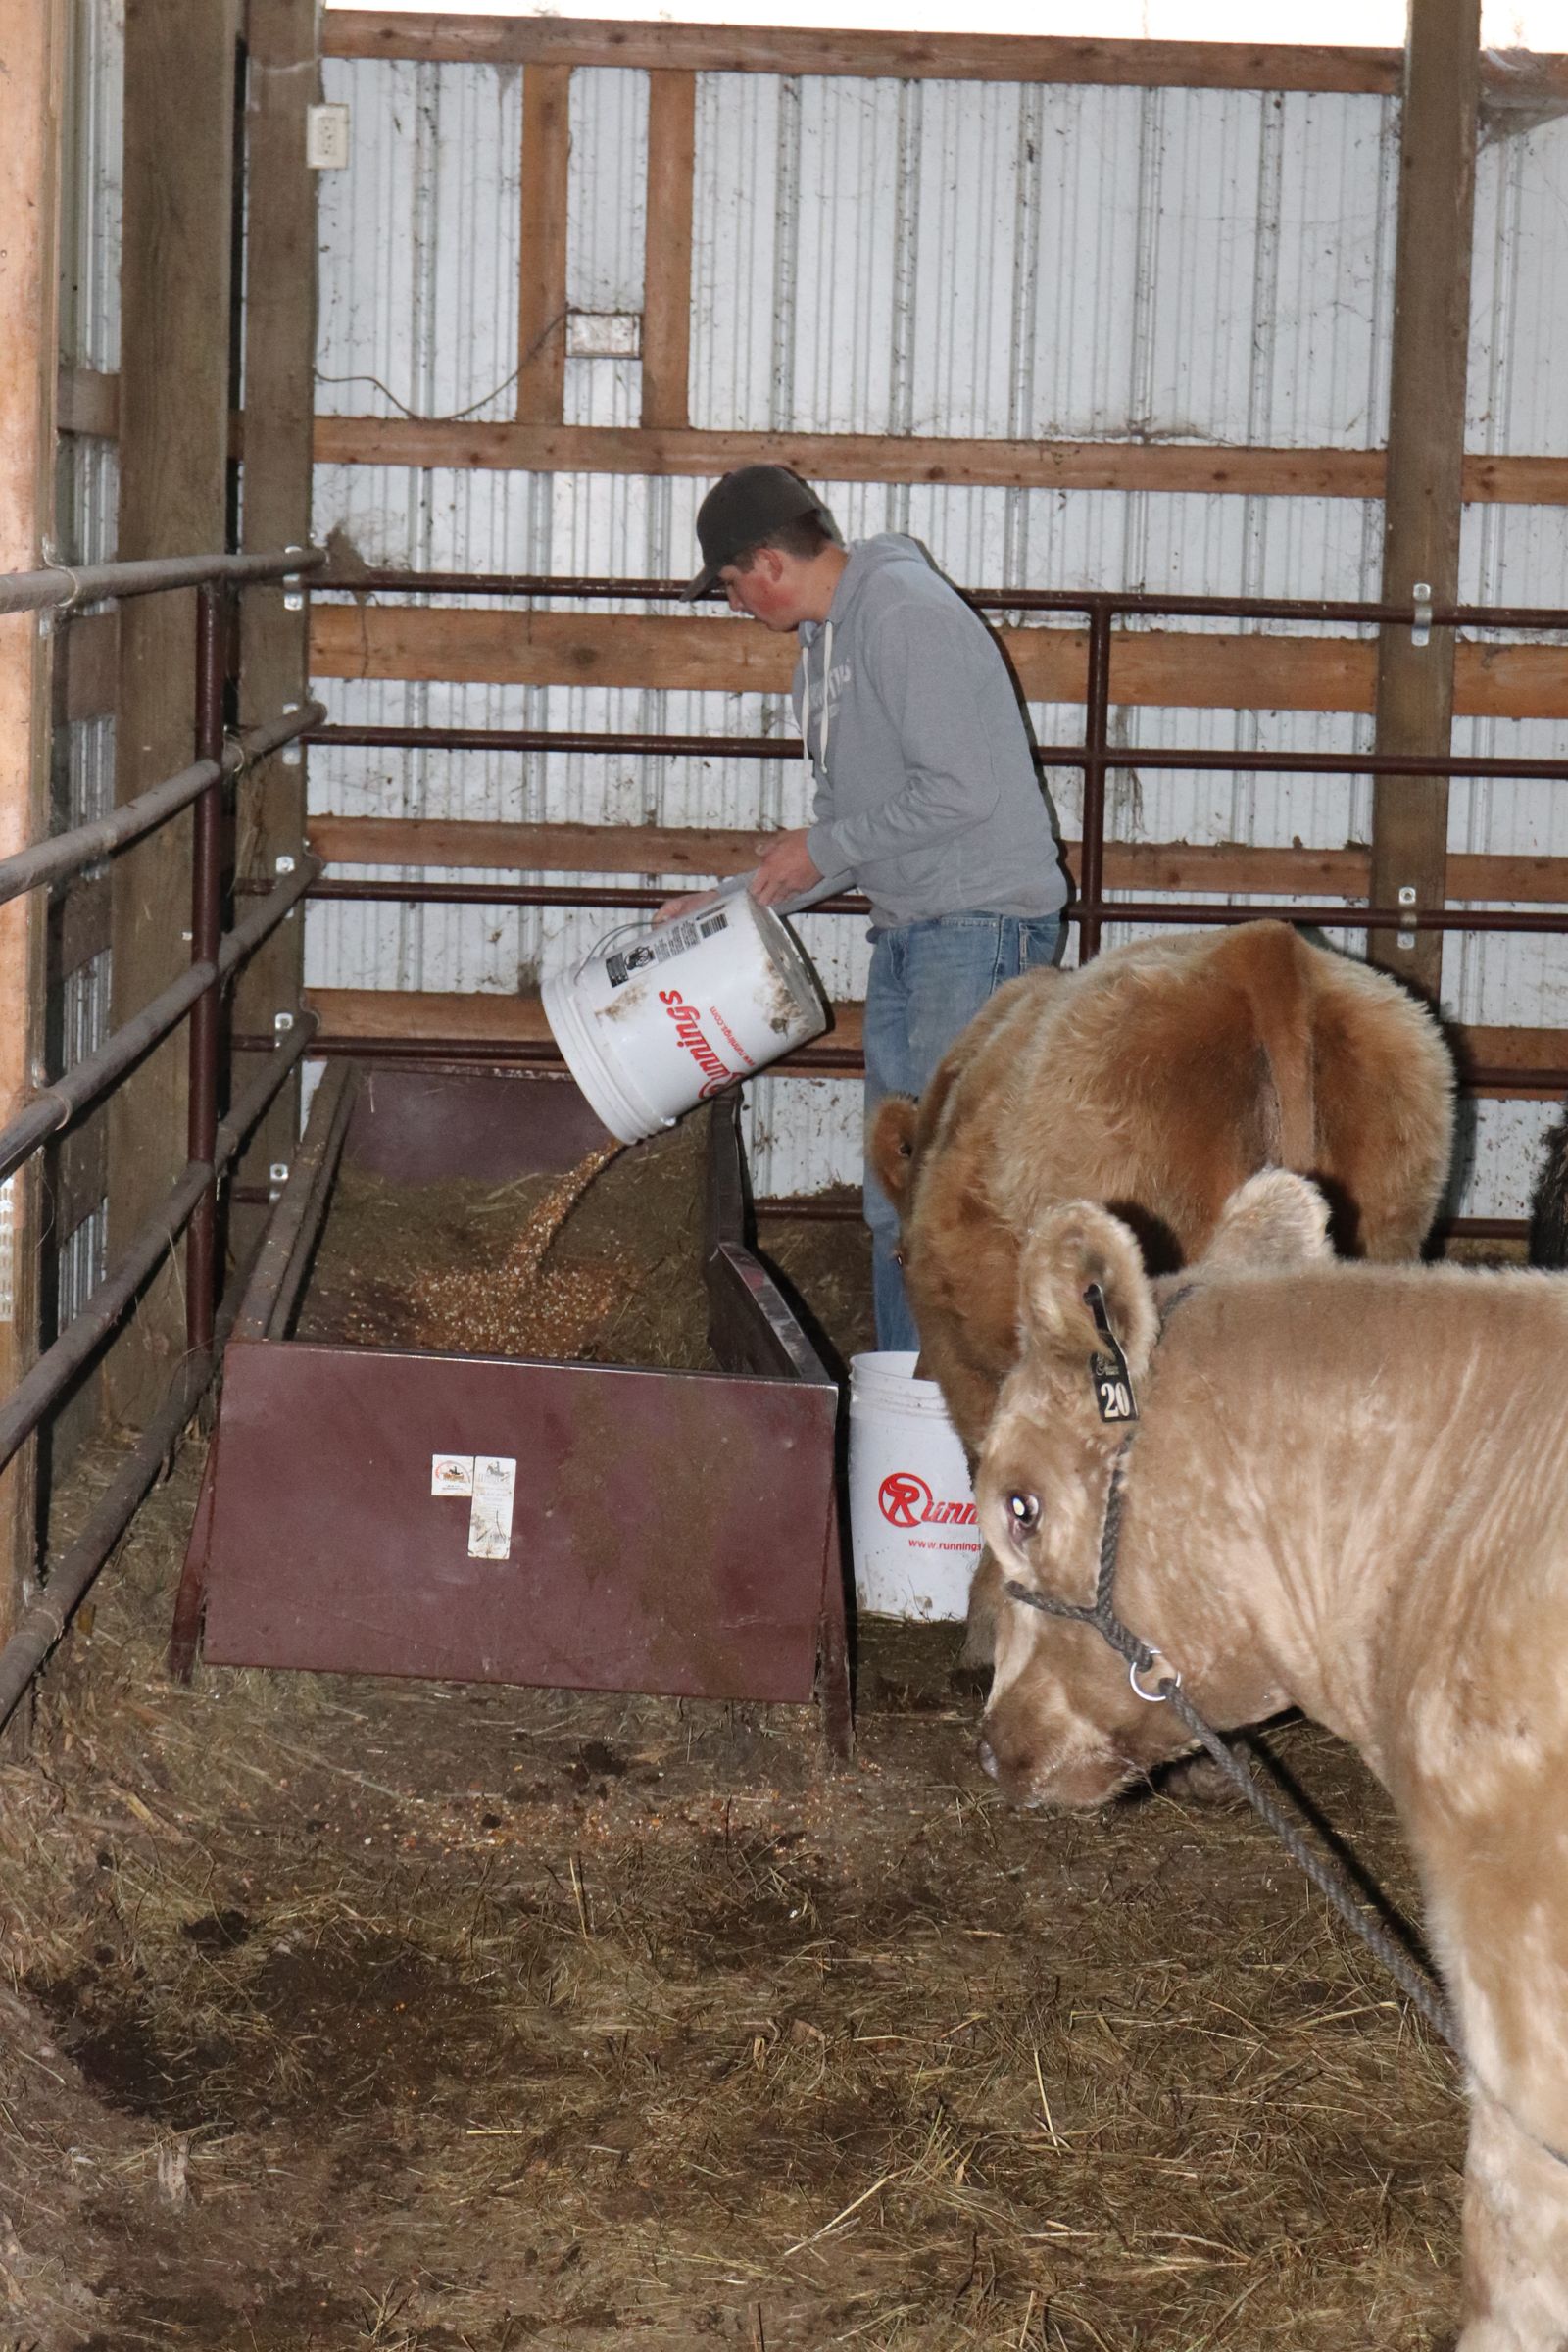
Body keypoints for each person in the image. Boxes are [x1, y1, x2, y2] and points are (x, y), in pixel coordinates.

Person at [683, 464, 1068, 1351]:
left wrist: (823, 849)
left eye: (733, 587)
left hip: (978, 931)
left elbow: (962, 791)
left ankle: (971, 1424)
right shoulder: (827, 651)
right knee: (902, 1196)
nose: (737, 605)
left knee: (953, 1197)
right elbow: (851, 834)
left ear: (768, 563)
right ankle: (915, 1418)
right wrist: (727, 906)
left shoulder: (902, 615)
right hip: (918, 933)